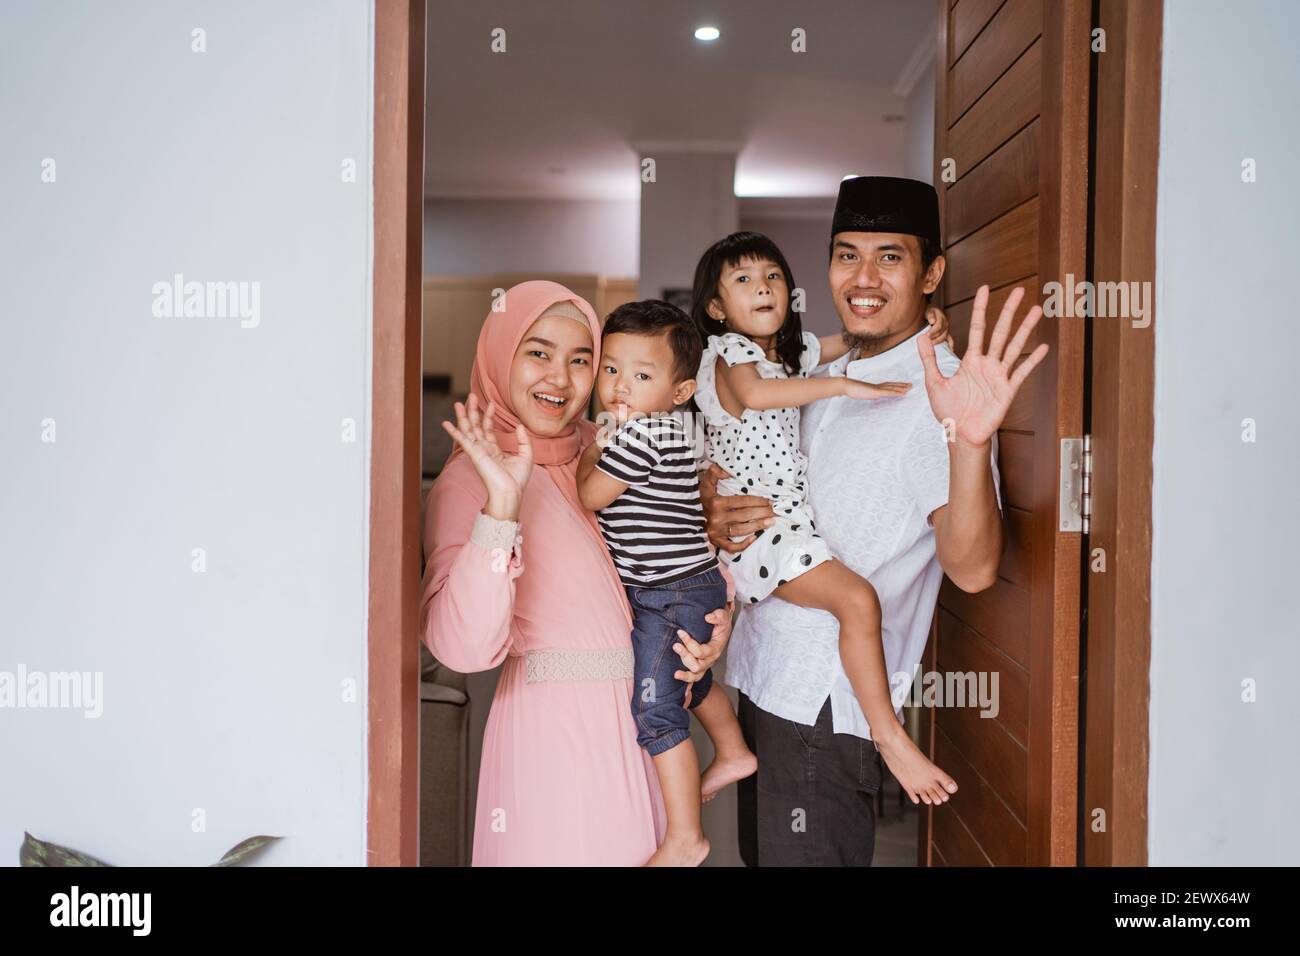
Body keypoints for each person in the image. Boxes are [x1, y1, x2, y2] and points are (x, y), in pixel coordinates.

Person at [701, 176, 1049, 866]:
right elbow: (757, 464)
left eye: (889, 257)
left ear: (931, 273)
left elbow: (974, 568)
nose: (862, 278)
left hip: (826, 708)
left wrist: (970, 446)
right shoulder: (824, 370)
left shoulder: (938, 395)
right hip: (766, 680)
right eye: (846, 254)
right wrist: (715, 497)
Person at [420, 280, 735, 866]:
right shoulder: (469, 482)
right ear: (499, 355)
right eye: (537, 352)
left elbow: (682, 550)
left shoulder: (616, 447)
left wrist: (716, 624)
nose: (559, 379)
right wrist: (503, 508)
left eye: (581, 359)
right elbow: (460, 649)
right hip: (552, 741)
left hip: (648, 728)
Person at [689, 230, 961, 806]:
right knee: (857, 601)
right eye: (743, 281)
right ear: (716, 308)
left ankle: (862, 735)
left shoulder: (790, 355)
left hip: (781, 526)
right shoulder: (731, 352)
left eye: (773, 277)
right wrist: (843, 384)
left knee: (852, 605)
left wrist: (928, 328)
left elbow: (855, 339)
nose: (763, 288)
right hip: (764, 528)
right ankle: (889, 737)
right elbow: (758, 396)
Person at [575, 300, 756, 867]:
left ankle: (685, 838)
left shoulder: (635, 438)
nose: (620, 387)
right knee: (685, 682)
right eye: (611, 369)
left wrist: (594, 449)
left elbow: (588, 497)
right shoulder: (683, 430)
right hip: (693, 584)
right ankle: (732, 751)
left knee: (655, 709)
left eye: (642, 375)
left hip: (668, 591)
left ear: (679, 390)